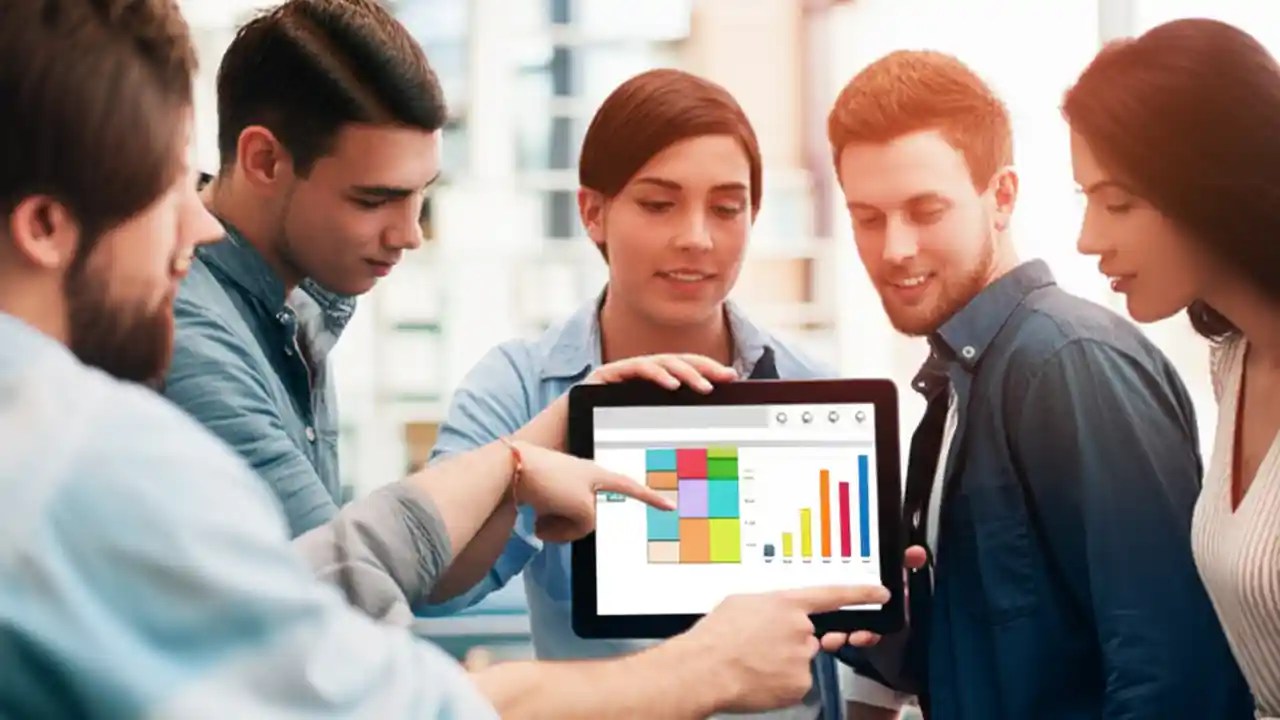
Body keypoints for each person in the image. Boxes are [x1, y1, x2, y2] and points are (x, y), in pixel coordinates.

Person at [0, 1, 893, 717]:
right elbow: (345, 642)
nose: (197, 225)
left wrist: (515, 460)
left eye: (728, 208)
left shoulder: (289, 320)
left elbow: (333, 572)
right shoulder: (90, 447)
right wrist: (699, 670)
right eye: (165, 189)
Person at [826, 50, 1253, 719]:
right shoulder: (955, 385)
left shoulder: (1069, 362)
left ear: (1001, 197)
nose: (894, 249)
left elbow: (1170, 670)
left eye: (925, 210)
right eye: (868, 217)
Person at [418, 67, 844, 719]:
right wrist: (542, 450)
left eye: (726, 208)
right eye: (658, 204)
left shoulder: (814, 394)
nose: (696, 237)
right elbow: (434, 581)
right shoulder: (519, 386)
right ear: (593, 212)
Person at [1063, 18, 1280, 719]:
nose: (1089, 238)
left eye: (1117, 202)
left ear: (1210, 187)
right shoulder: (1235, 363)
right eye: (1086, 200)